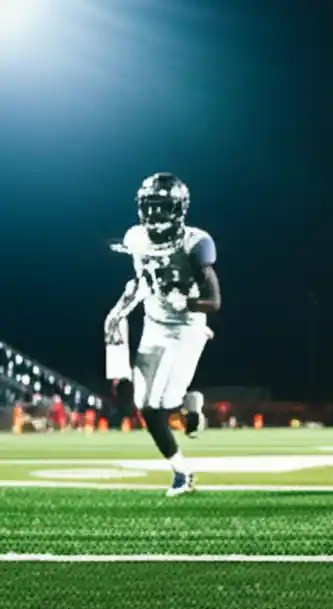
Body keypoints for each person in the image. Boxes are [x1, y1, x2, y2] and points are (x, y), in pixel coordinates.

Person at [104, 173, 220, 497]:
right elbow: (143, 279)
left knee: (159, 405)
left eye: (161, 207)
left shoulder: (196, 243)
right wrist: (124, 305)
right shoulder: (136, 238)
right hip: (154, 323)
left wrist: (188, 303)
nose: (154, 215)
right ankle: (181, 468)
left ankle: (187, 421)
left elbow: (215, 301)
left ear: (179, 209)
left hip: (186, 327)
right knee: (146, 406)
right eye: (149, 207)